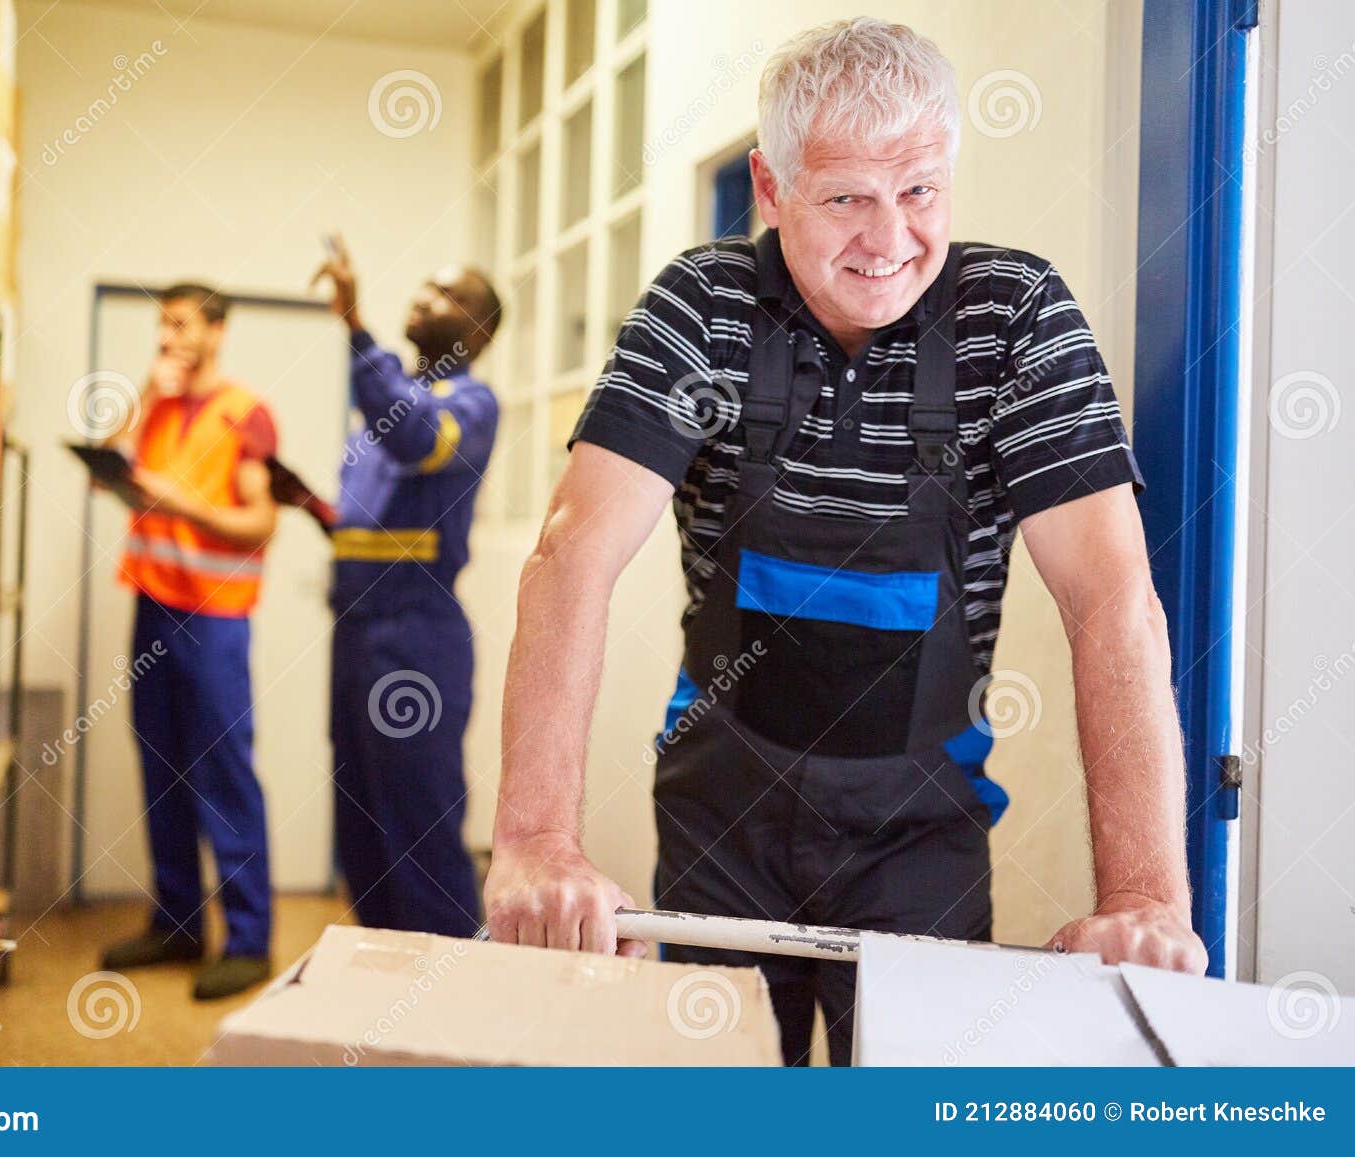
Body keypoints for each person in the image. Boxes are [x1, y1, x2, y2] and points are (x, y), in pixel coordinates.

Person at [484, 18, 1207, 1066]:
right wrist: (535, 841)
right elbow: (570, 556)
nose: (888, 238)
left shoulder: (1013, 317)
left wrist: (1144, 894)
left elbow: (1111, 598)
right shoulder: (705, 306)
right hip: (719, 821)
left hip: (922, 833)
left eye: (917, 190)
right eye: (843, 198)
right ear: (770, 189)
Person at [311, 236, 501, 938]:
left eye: (447, 294)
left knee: (421, 829)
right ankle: (388, 989)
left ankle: (450, 1006)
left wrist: (356, 327)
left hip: (416, 636)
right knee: (359, 821)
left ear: (479, 331)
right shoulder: (380, 415)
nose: (424, 297)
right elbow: (364, 526)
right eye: (423, 285)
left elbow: (416, 438)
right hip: (355, 632)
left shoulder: (472, 404)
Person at [99, 282, 279, 1001]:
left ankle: (249, 939)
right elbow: (114, 461)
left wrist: (180, 503)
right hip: (152, 607)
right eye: (161, 323)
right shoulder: (160, 405)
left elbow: (260, 521)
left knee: (224, 773)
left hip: (214, 618)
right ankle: (176, 920)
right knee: (162, 767)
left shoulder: (246, 413)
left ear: (216, 329)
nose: (167, 335)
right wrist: (149, 388)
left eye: (179, 323)